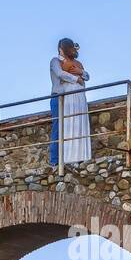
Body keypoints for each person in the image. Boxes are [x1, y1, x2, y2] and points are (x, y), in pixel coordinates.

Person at [49, 37, 92, 166]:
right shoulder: (55, 61)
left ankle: (77, 155)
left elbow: (87, 76)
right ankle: (55, 161)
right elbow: (60, 74)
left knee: (75, 123)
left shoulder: (76, 63)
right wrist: (76, 79)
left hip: (73, 96)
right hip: (59, 96)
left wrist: (81, 72)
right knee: (59, 126)